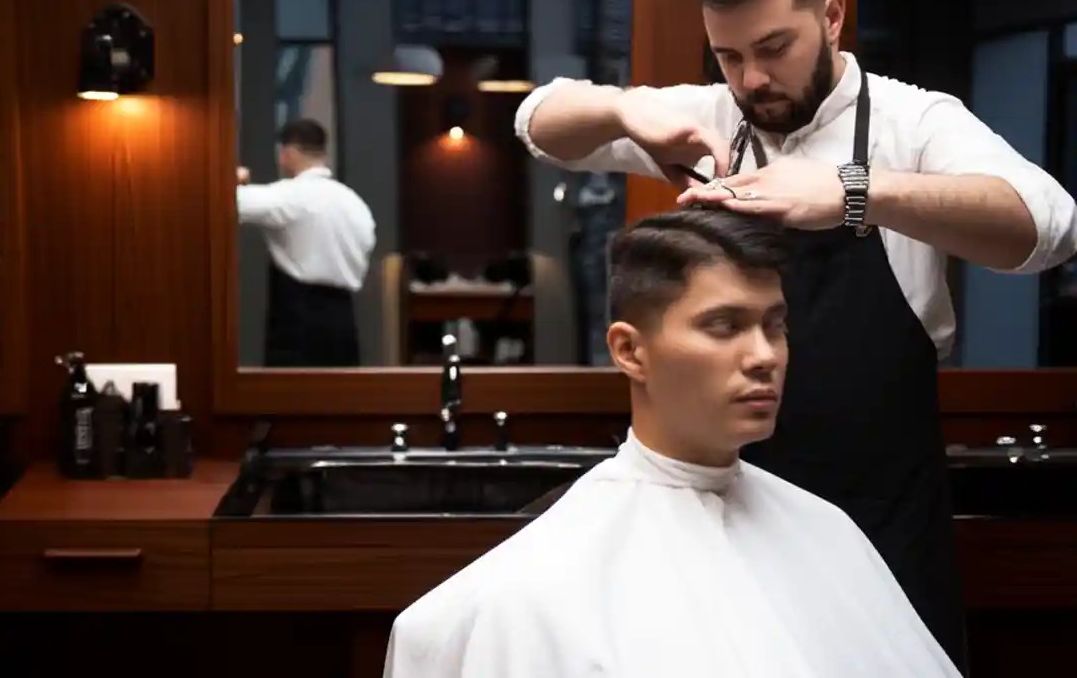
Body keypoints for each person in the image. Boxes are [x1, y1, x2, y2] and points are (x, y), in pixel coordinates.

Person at [512, 0, 1077, 669]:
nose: (751, 79)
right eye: (729, 55)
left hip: (878, 512)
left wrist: (853, 192)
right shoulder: (715, 117)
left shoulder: (914, 121)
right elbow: (539, 122)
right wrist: (626, 109)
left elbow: (1051, 225)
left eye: (774, 49)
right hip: (728, 522)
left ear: (831, 18)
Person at [383, 207, 962, 677]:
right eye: (725, 326)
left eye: (774, 324)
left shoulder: (828, 532)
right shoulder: (541, 590)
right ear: (630, 351)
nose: (764, 355)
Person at [235, 118, 376, 367]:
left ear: (286, 154)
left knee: (294, 402)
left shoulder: (290, 196)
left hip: (300, 323)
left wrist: (237, 180)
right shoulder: (355, 204)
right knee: (342, 399)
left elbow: (224, 202)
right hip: (345, 322)